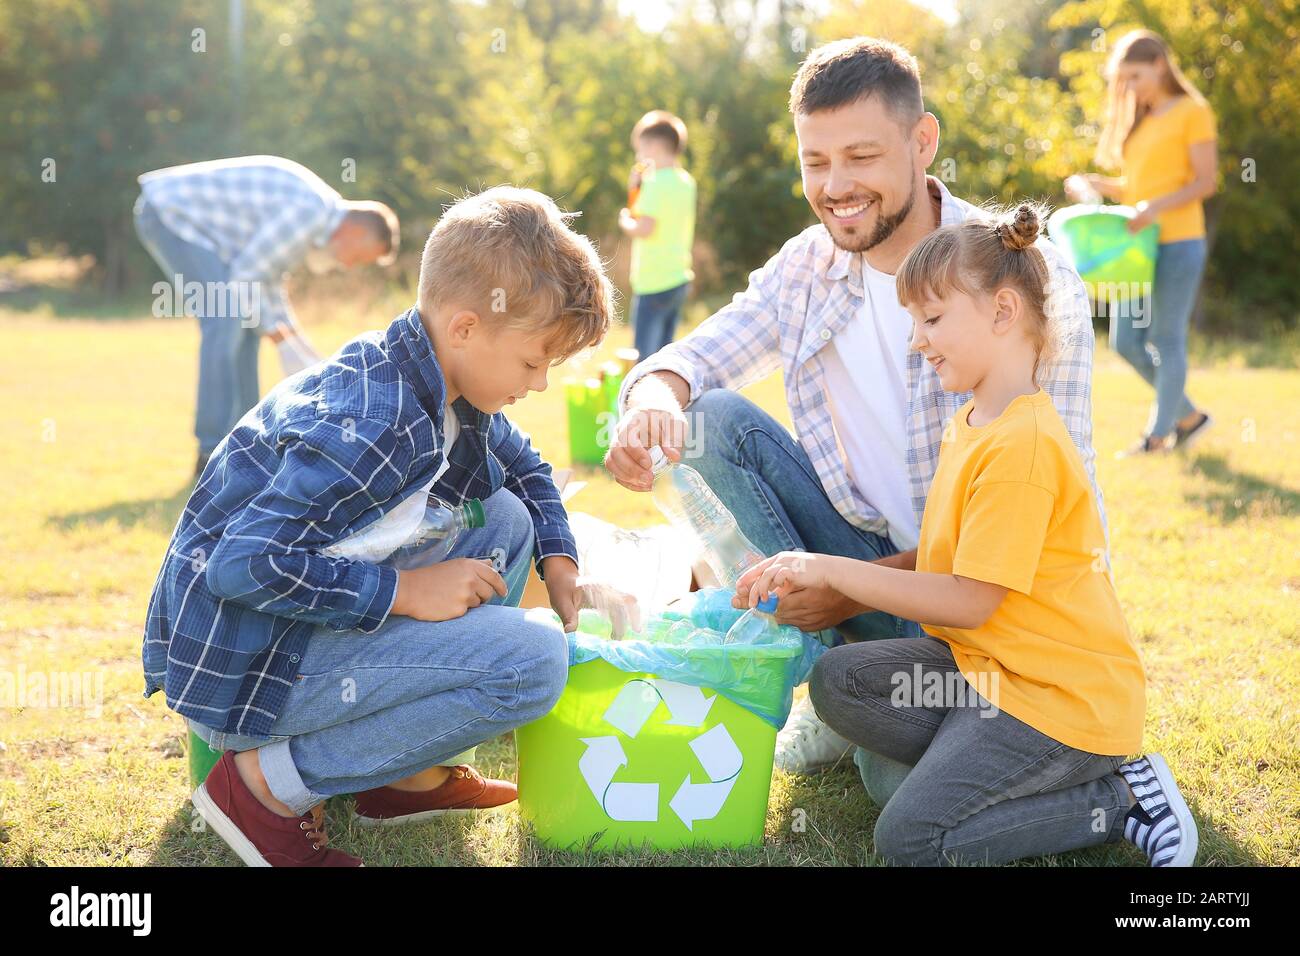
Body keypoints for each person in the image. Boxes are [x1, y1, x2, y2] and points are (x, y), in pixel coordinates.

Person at [604, 37, 1106, 782]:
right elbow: (690, 358)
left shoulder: (1023, 284)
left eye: (861, 157)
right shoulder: (808, 265)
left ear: (922, 141)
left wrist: (844, 586)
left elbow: (1026, 552)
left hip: (984, 603)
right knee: (709, 416)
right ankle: (819, 656)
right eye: (815, 162)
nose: (835, 186)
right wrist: (649, 403)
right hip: (868, 565)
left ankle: (1061, 752)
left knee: (887, 783)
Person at [141, 186, 616, 866]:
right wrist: (403, 592)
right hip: (244, 665)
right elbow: (242, 565)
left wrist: (560, 564)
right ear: (465, 328)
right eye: (533, 362)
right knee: (535, 663)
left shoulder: (436, 377)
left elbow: (529, 466)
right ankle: (260, 790)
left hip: (289, 625)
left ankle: (401, 779)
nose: (539, 384)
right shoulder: (378, 423)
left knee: (511, 521)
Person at [737, 203, 1197, 866]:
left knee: (910, 840)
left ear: (1003, 312)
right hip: (984, 676)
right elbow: (951, 574)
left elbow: (969, 600)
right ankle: (971, 765)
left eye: (932, 319)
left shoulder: (1024, 445)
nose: (918, 341)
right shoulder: (973, 423)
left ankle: (1122, 797)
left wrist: (831, 570)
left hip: (1056, 700)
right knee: (841, 680)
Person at [133, 155, 401, 476]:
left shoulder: (314, 215)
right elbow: (246, 277)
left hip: (197, 231)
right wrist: (281, 342)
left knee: (247, 323)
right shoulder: (309, 213)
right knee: (227, 318)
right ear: (355, 232)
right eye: (357, 258)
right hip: (170, 213)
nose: (348, 266)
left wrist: (296, 344)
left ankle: (245, 443)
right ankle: (210, 452)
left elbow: (267, 285)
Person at [1066, 30, 1218, 456]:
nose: (1130, 87)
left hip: (1179, 243)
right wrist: (1099, 184)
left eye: (1135, 75)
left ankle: (1158, 436)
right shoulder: (1143, 117)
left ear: (1159, 64)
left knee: (1166, 339)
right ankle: (1188, 416)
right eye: (1124, 80)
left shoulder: (1193, 111)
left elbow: (1205, 181)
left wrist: (1153, 207)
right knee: (1126, 342)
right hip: (1138, 249)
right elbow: (1137, 189)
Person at [619, 110, 697, 360]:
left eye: (640, 149)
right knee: (665, 356)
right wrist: (636, 188)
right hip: (678, 277)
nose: (638, 155)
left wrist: (625, 222)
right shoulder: (686, 182)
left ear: (653, 146)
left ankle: (642, 401)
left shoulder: (654, 183)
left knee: (644, 360)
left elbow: (645, 228)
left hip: (653, 280)